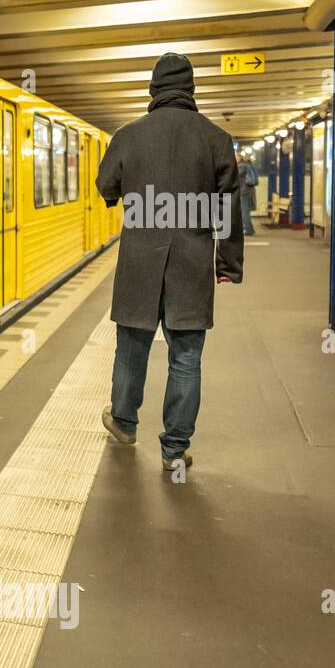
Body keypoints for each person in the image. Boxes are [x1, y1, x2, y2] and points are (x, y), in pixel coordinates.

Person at [95, 52, 245, 472]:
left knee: (131, 352)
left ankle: (124, 423)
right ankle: (174, 450)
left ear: (153, 90)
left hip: (139, 265)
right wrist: (228, 263)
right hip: (192, 267)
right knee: (185, 359)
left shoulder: (129, 135)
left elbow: (106, 187)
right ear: (192, 90)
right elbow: (229, 207)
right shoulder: (216, 138)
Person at [238, 157, 258, 236]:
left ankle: (248, 229)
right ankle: (250, 229)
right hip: (248, 191)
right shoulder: (248, 166)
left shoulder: (241, 166)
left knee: (244, 212)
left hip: (244, 192)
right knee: (246, 211)